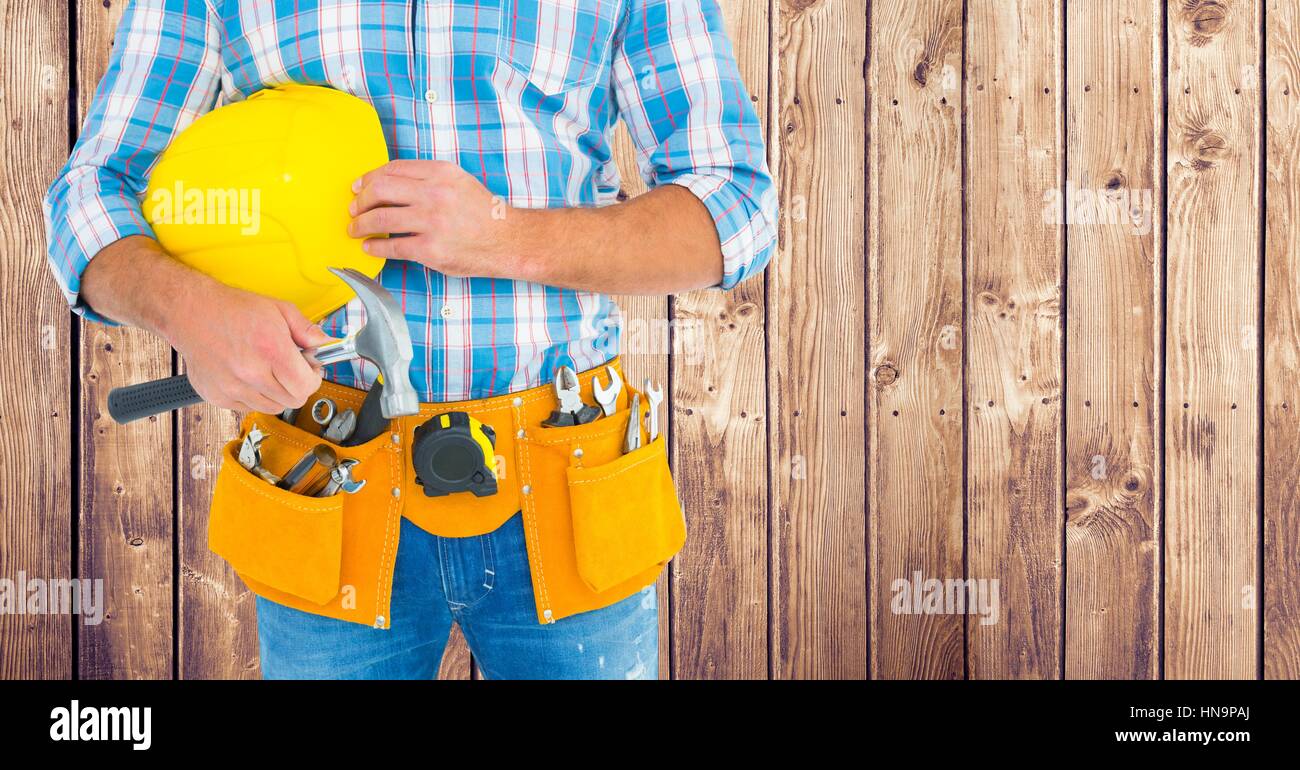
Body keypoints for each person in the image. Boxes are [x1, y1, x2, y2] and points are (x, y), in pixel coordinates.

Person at [44, 0, 776, 680]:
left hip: (568, 475)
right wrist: (193, 311)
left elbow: (736, 206)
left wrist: (501, 237)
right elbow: (93, 190)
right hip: (328, 476)